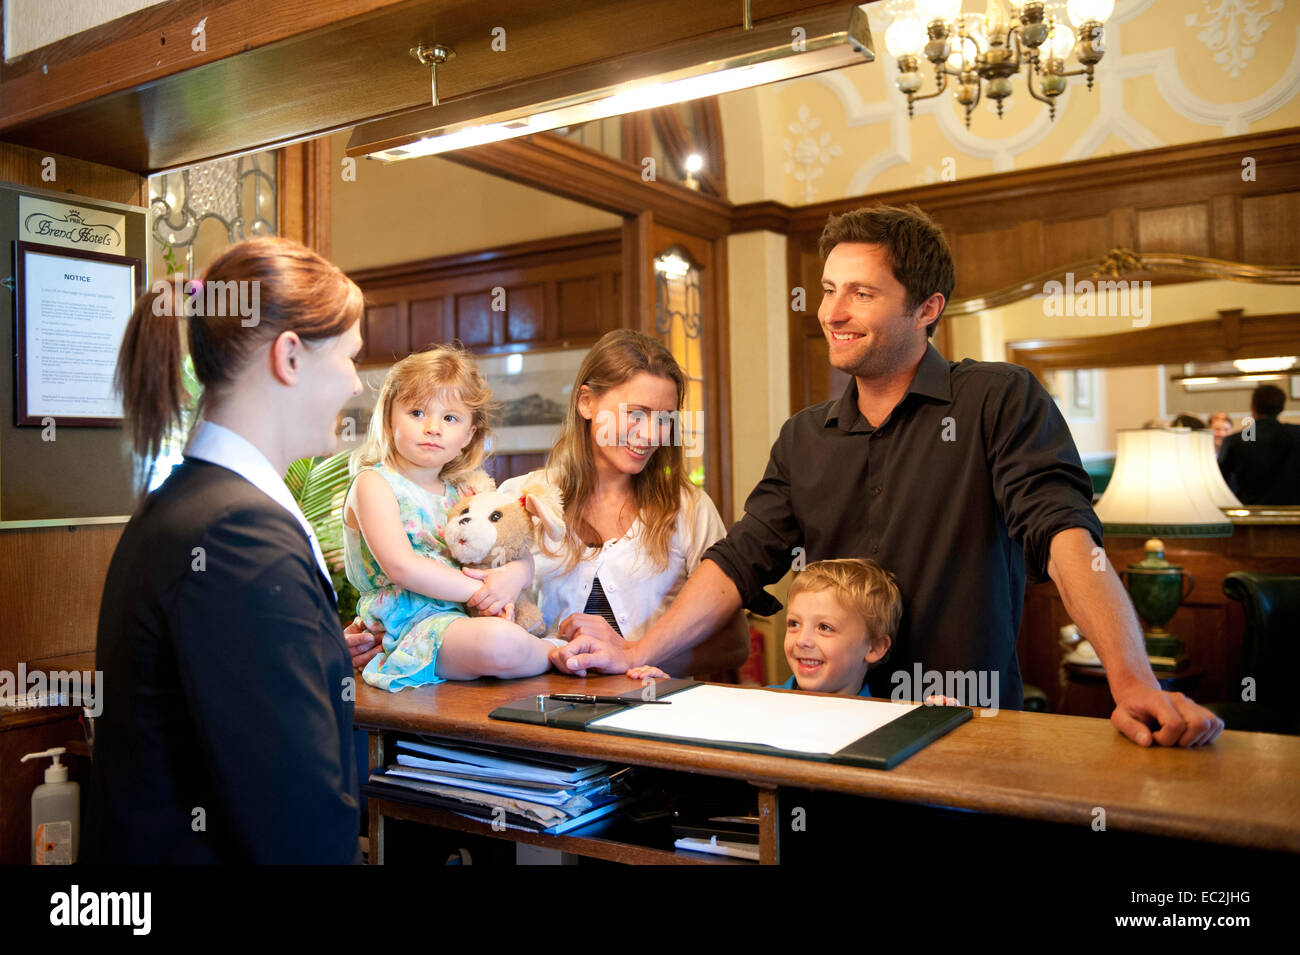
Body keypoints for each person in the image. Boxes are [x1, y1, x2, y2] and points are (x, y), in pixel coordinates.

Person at [555, 204, 1224, 748]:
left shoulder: (998, 400)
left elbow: (1064, 534)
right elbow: (739, 559)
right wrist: (639, 647)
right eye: (827, 290)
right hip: (828, 740)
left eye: (861, 293)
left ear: (927, 308)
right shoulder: (804, 436)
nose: (832, 312)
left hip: (970, 735)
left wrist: (1130, 678)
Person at [89, 237, 366, 863]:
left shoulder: (185, 504)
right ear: (289, 356)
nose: (356, 380)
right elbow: (297, 830)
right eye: (350, 356)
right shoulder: (241, 538)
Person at [349, 330, 749, 676]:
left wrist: (630, 655)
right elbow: (463, 591)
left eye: (664, 419)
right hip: (540, 712)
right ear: (586, 403)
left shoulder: (690, 510)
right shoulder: (517, 498)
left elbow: (734, 647)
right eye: (636, 413)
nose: (650, 434)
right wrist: (387, 634)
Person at [344, 348, 561, 691]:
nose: (432, 428)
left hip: (463, 618)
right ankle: (555, 653)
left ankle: (547, 649)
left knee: (500, 636)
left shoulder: (463, 494)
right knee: (497, 642)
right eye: (416, 412)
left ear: (469, 435)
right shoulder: (373, 484)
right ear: (388, 418)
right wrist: (482, 592)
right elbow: (403, 567)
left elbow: (512, 550)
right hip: (405, 627)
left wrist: (512, 578)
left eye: (450, 418)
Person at [1218, 384, 1300, 504]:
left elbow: (1221, 482)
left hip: (1250, 515)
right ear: (1282, 408)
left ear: (1252, 405)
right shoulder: (1296, 435)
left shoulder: (1235, 441)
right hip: (1292, 515)